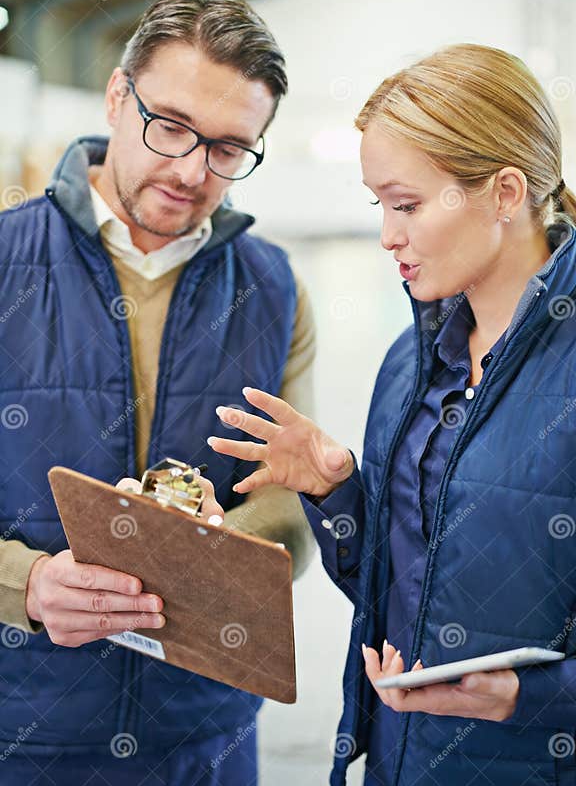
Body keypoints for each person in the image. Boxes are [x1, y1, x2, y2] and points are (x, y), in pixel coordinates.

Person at [209, 43, 576, 785]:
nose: (387, 234)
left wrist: (533, 698)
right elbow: (404, 587)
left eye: (406, 204)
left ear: (506, 193)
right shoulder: (413, 364)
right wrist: (337, 492)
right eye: (379, 204)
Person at [0, 0, 316, 785]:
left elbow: (289, 497)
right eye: (168, 125)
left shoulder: (274, 289)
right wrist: (26, 583)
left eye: (228, 148)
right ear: (116, 94)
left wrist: (233, 545)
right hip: (22, 735)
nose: (188, 170)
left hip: (203, 740)